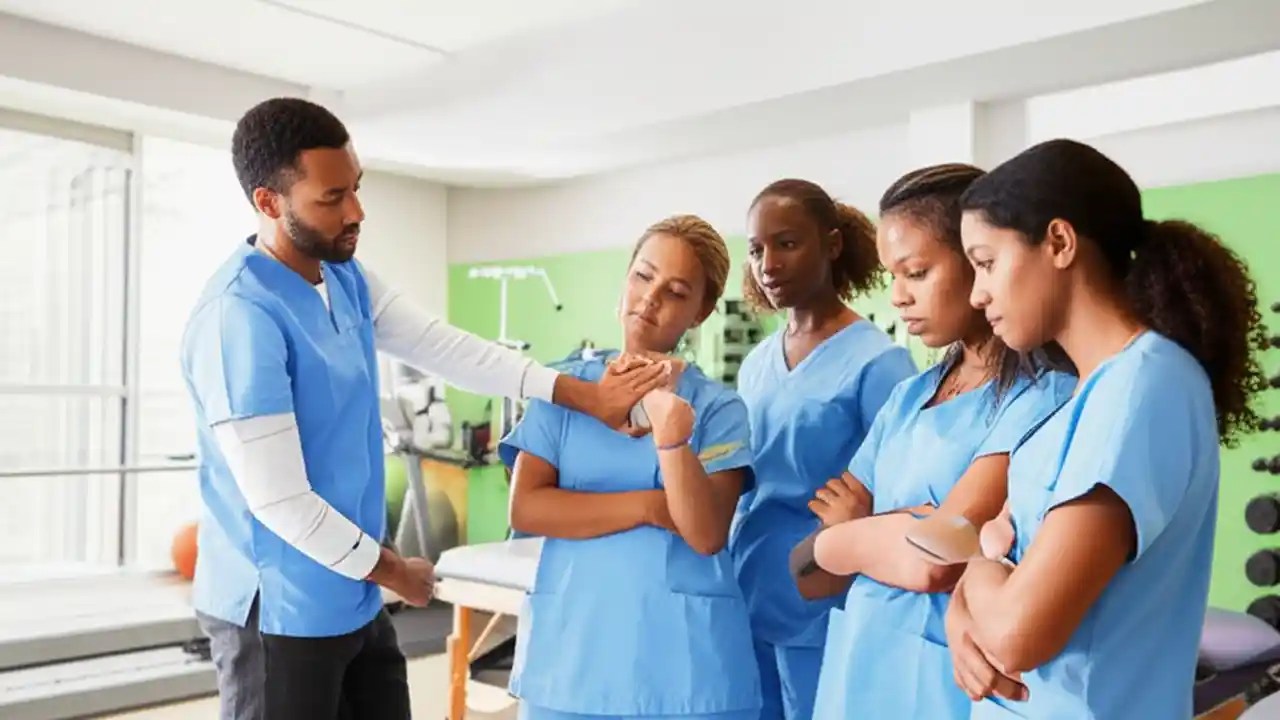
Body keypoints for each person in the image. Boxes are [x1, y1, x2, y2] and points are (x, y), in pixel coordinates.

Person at [180, 97, 669, 720]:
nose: (356, 211)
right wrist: (393, 571)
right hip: (280, 609)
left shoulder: (343, 275)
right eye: (332, 198)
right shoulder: (239, 319)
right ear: (269, 202)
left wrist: (584, 395)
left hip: (352, 591)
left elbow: (441, 345)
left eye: (356, 188)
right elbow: (280, 502)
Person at [947, 138, 1266, 719]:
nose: (977, 293)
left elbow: (1020, 632)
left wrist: (978, 571)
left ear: (1060, 243)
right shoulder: (1082, 396)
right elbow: (1001, 548)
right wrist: (966, 606)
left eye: (987, 262)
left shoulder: (1147, 387)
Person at [785, 164, 1076, 719]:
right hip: (855, 672)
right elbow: (809, 578)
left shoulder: (1044, 395)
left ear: (978, 259)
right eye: (891, 275)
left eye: (915, 273)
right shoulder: (908, 398)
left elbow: (938, 558)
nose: (897, 297)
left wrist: (845, 538)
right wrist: (890, 532)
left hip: (941, 685)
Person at [501, 214, 761, 720]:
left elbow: (705, 532)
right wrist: (648, 506)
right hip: (571, 663)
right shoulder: (565, 392)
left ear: (701, 311)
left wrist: (672, 438)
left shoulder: (717, 410)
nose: (651, 298)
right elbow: (527, 508)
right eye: (643, 276)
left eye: (676, 291)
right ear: (625, 281)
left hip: (687, 673)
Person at [729, 179, 917, 720]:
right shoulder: (757, 363)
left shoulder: (878, 364)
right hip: (748, 585)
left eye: (787, 243)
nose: (768, 263)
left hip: (825, 597)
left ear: (832, 245)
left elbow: (899, 495)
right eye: (757, 249)